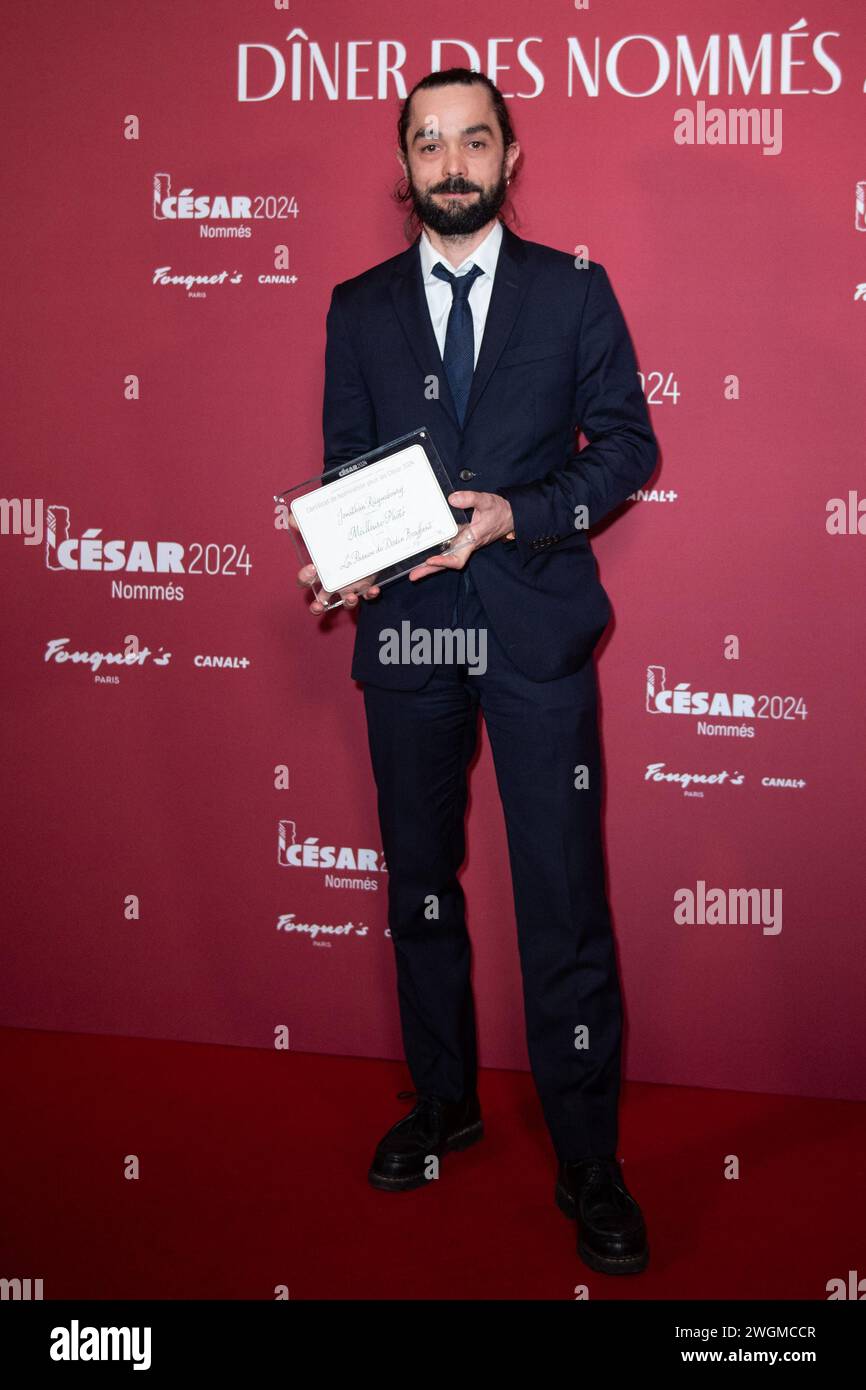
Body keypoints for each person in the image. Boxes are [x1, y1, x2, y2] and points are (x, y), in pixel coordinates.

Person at [297, 67, 658, 1275]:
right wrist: (345, 563)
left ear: (511, 157)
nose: (449, 163)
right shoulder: (356, 305)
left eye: (472, 141)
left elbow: (627, 448)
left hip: (535, 626)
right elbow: (351, 468)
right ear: (401, 166)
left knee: (560, 895)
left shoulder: (573, 291)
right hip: (408, 635)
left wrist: (521, 515)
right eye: (426, 143)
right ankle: (444, 1101)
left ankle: (586, 1153)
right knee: (420, 885)